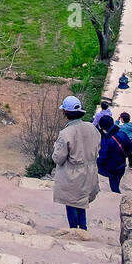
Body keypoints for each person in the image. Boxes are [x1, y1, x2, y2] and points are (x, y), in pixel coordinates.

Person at [52, 95, 100, 231]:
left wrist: (56, 147)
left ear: (65, 112)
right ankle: (83, 229)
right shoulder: (92, 128)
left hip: (73, 173)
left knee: (71, 203)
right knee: (81, 202)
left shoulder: (66, 133)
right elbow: (98, 148)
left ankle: (74, 231)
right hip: (90, 170)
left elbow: (58, 158)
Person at [96, 116, 132, 193]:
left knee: (90, 166)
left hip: (112, 169)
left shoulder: (106, 141)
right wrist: (123, 156)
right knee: (115, 185)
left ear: (103, 128)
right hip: (121, 165)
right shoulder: (122, 134)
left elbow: (102, 158)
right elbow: (131, 147)